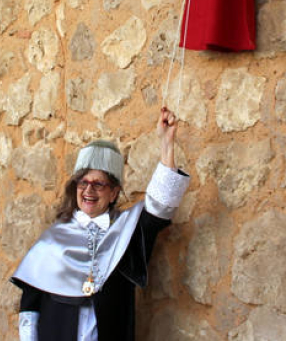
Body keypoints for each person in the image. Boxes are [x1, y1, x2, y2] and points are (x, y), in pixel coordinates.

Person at [11, 107, 189, 341]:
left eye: (98, 184)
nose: (88, 190)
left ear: (114, 192)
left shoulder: (126, 233)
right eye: (82, 182)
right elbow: (29, 310)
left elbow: (160, 206)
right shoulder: (51, 240)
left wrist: (167, 144)